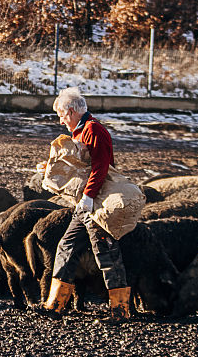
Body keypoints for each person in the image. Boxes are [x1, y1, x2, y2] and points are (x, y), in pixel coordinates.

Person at [42, 86, 131, 319]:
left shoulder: (94, 130)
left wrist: (90, 197)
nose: (61, 122)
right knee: (67, 246)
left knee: (106, 252)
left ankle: (120, 310)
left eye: (61, 116)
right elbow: (81, 166)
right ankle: (54, 304)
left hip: (97, 203)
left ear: (71, 111)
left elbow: (102, 167)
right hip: (86, 203)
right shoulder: (83, 131)